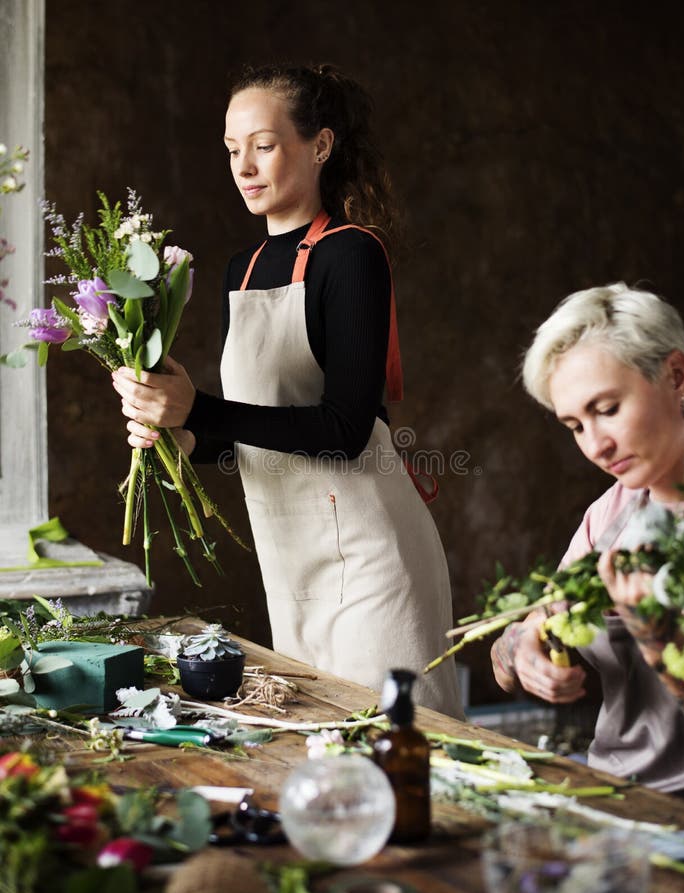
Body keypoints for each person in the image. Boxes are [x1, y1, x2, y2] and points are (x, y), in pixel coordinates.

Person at [111, 63, 463, 719]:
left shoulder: (351, 254)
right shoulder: (240, 270)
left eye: (263, 144)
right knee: (323, 752)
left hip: (369, 562)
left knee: (400, 748)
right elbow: (249, 436)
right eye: (231, 148)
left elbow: (343, 429)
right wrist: (178, 433)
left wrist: (200, 409)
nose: (244, 164)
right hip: (293, 563)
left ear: (319, 145)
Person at [490, 282, 684, 798]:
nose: (596, 446)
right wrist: (524, 651)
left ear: (676, 376)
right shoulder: (611, 513)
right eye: (575, 425)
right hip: (610, 792)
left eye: (607, 409)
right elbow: (509, 646)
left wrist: (659, 635)